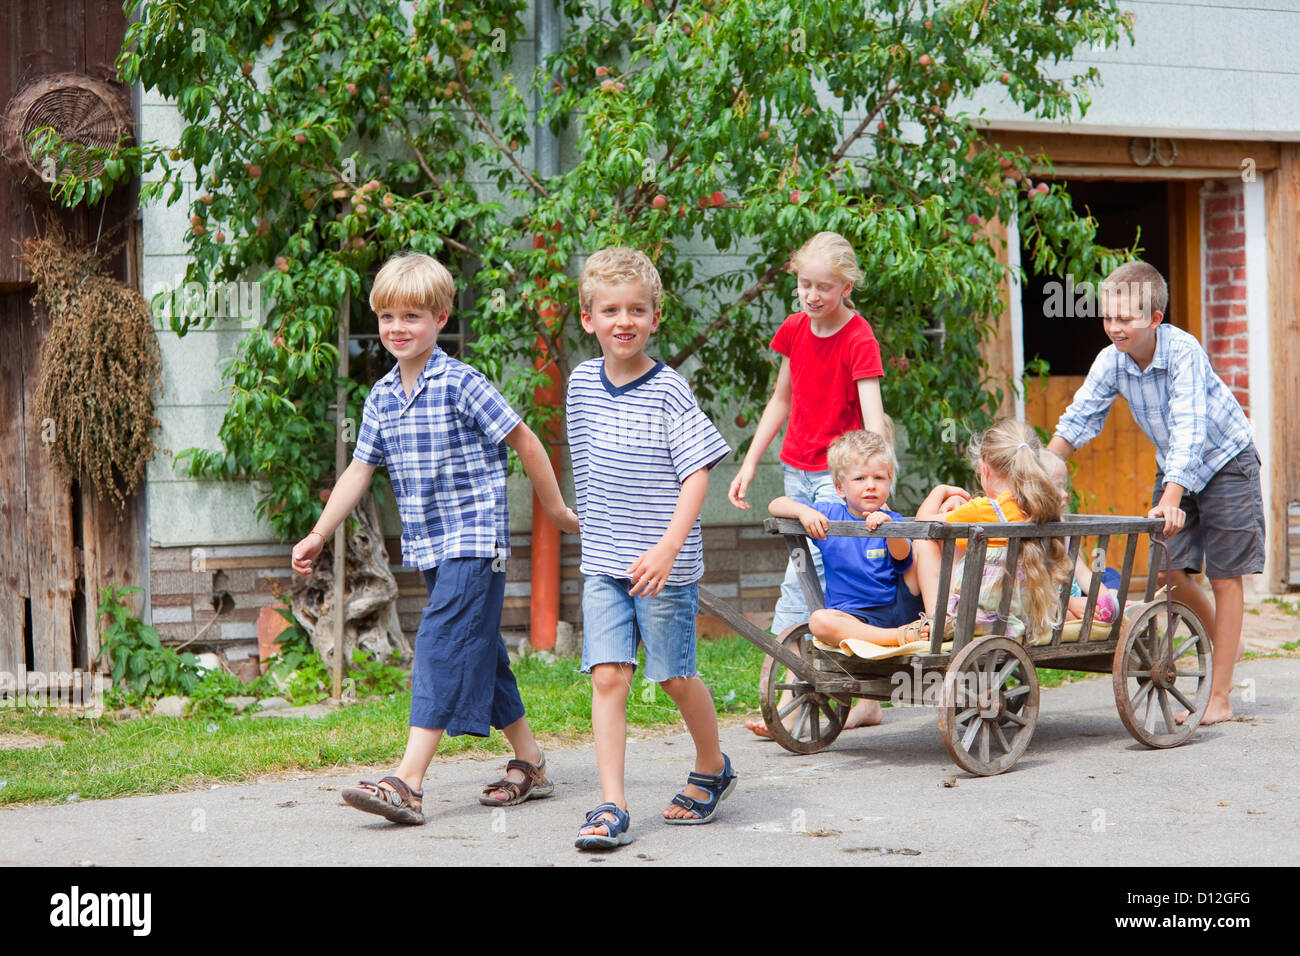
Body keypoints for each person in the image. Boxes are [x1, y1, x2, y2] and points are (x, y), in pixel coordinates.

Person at [290, 252, 579, 825]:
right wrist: (321, 532)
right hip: (429, 546)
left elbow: (525, 441)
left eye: (413, 317)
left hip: (476, 542)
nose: (399, 328)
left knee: (441, 644)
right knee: (483, 653)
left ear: (442, 317)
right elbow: (359, 470)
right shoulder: (381, 396)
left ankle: (409, 781)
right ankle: (532, 761)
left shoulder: (462, 383)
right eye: (389, 317)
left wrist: (557, 509)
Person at [567, 247, 736, 850]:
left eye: (636, 309)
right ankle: (611, 804)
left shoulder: (669, 390)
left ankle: (713, 766)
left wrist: (668, 547)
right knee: (608, 676)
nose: (624, 321)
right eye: (610, 309)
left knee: (673, 677)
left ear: (655, 317)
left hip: (664, 566)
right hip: (604, 563)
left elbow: (697, 475)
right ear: (588, 318)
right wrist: (582, 523)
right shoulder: (581, 384)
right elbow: (590, 466)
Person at [1047, 261, 1264, 725]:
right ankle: (1225, 639)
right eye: (1108, 317)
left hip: (1226, 461)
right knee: (1170, 574)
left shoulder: (1183, 351)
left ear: (1155, 319)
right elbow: (1081, 417)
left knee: (1226, 576)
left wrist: (1171, 496)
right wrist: (1044, 469)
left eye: (1125, 318)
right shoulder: (1111, 360)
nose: (1114, 327)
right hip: (1175, 467)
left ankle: (1220, 697)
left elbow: (1190, 427)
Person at [726, 232, 888, 638]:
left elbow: (874, 419)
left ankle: (787, 645)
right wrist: (748, 463)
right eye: (804, 284)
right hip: (795, 470)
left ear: (846, 287)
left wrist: (873, 479)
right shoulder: (795, 329)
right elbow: (781, 400)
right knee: (804, 558)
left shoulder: (859, 338)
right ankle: (821, 657)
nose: (811, 295)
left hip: (839, 476)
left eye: (824, 287)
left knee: (811, 564)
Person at [913, 421, 1072, 641]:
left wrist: (941, 490)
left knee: (924, 541)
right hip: (1025, 614)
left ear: (984, 468)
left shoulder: (983, 510)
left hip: (981, 617)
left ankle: (940, 619)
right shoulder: (1040, 507)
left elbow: (923, 523)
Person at [769, 430, 926, 648]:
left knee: (921, 545)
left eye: (879, 478)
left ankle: (900, 632)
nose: (870, 485)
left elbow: (902, 556)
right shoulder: (829, 515)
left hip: (894, 609)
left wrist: (890, 530)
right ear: (840, 488)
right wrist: (803, 512)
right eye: (860, 478)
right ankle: (896, 638)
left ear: (889, 484)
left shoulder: (891, 519)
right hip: (851, 617)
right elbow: (776, 504)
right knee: (819, 621)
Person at [1039, 448, 1118, 624]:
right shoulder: (1029, 537)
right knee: (1054, 612)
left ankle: (1116, 601)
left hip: (1073, 593)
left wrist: (1106, 601)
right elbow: (1035, 589)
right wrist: (1070, 603)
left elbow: (1083, 573)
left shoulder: (1063, 533)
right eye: (1058, 486)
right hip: (1052, 604)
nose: (1066, 494)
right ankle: (1107, 606)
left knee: (1109, 574)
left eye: (1064, 486)